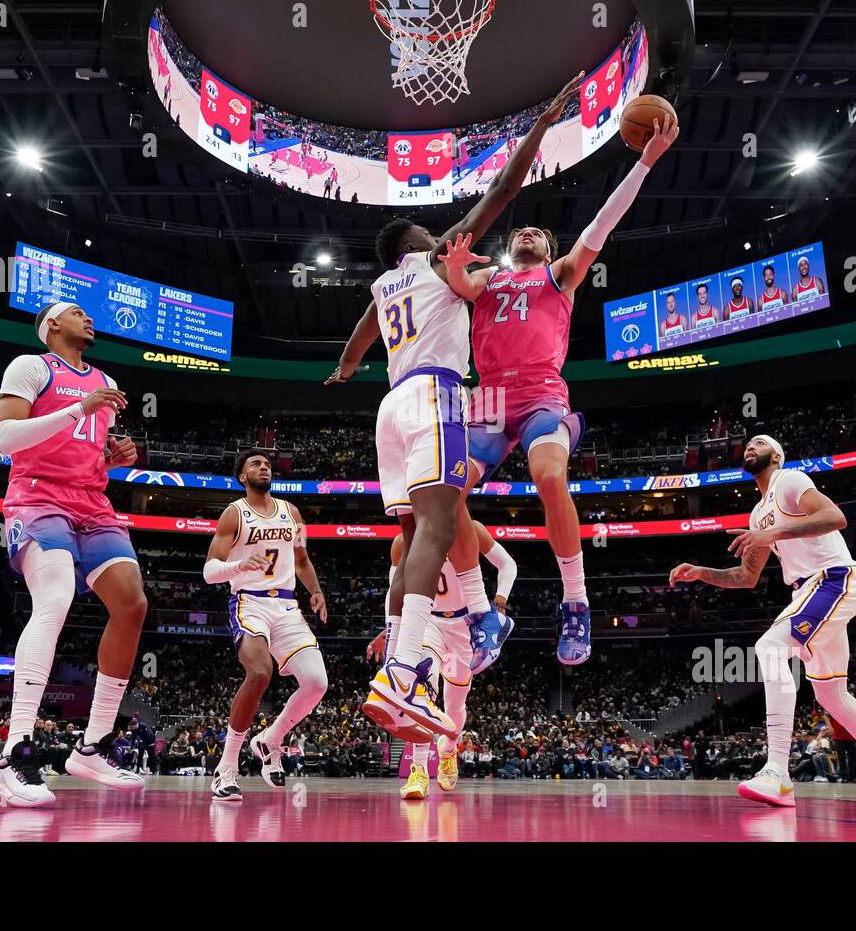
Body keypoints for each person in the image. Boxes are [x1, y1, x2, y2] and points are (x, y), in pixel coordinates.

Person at [326, 72, 583, 738]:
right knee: (439, 527)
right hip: (434, 394)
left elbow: (361, 333)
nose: (438, 231)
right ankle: (408, 670)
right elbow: (502, 191)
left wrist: (346, 368)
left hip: (389, 407)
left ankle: (450, 629)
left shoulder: (385, 285)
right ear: (419, 239)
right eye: (427, 228)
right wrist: (543, 122)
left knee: (416, 533)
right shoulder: (439, 256)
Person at [441, 114, 678, 671]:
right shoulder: (486, 282)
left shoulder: (559, 276)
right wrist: (448, 262)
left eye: (538, 235)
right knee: (447, 494)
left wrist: (645, 161)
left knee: (549, 477)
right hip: (490, 400)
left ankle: (576, 601)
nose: (526, 234)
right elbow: (453, 278)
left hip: (543, 393)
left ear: (549, 252)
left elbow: (601, 224)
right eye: (519, 232)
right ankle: (481, 614)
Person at [670, 435, 856, 807]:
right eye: (746, 444)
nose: (749, 447)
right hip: (809, 590)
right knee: (832, 696)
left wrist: (773, 532)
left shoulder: (789, 481)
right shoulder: (757, 514)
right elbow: (747, 578)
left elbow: (834, 517)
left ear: (776, 455)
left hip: (832, 578)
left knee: (770, 647)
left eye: (759, 443)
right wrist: (702, 572)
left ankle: (777, 771)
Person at [0, 302, 148, 807]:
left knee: (132, 604)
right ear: (52, 324)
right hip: (37, 496)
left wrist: (112, 457)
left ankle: (93, 745)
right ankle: (14, 752)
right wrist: (80, 408)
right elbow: (6, 437)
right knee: (55, 599)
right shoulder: (32, 366)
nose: (90, 319)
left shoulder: (103, 377)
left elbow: (79, 450)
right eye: (78, 312)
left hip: (92, 502)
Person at [203, 451, 328, 802]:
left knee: (317, 683)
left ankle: (269, 740)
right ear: (242, 476)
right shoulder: (234, 513)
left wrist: (316, 592)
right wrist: (240, 564)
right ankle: (226, 766)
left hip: (287, 605)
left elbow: (301, 560)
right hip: (249, 601)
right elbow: (209, 571)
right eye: (255, 464)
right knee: (260, 671)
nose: (264, 467)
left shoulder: (293, 512)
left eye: (267, 464)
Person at [365, 522, 516, 799]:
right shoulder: (402, 542)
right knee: (423, 685)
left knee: (456, 703)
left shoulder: (470, 529)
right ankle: (418, 770)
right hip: (429, 621)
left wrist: (499, 603)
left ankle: (448, 749)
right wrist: (389, 630)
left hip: (466, 624)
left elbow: (508, 565)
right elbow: (396, 592)